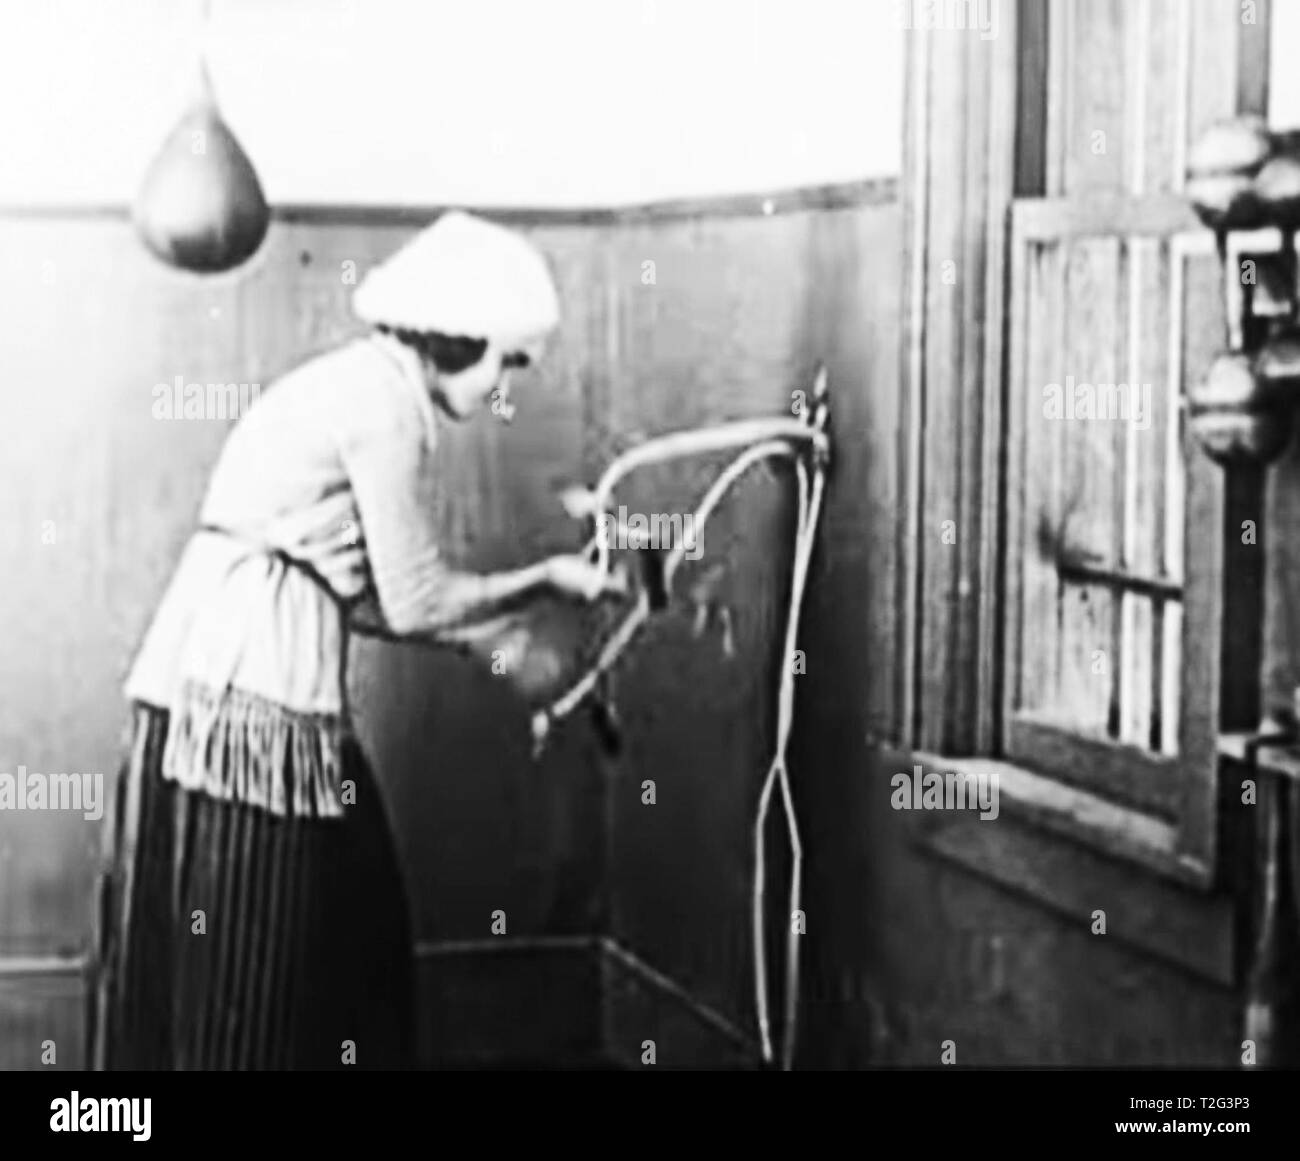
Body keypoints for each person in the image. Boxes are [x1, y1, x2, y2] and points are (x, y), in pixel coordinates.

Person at [90, 210, 626, 1070]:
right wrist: (543, 580)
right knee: (254, 954)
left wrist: (495, 638)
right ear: (453, 338)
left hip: (208, 676)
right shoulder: (386, 408)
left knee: (322, 926)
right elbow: (412, 599)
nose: (502, 388)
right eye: (502, 360)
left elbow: (368, 592)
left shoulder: (363, 383)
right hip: (250, 692)